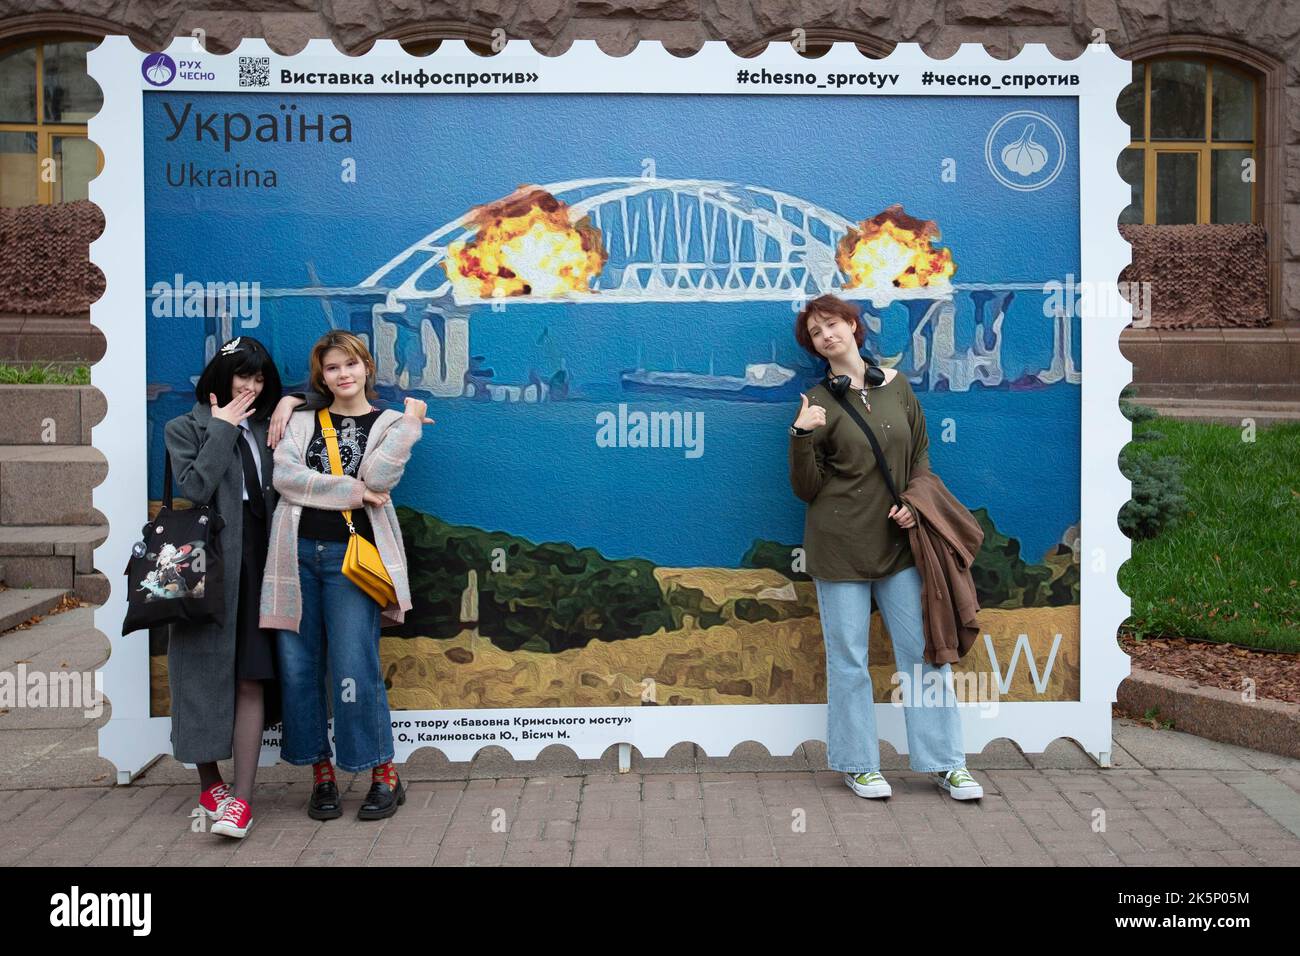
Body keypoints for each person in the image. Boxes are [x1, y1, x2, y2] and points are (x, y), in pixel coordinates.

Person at [788, 293, 982, 801]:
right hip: (838, 547)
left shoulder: (898, 389)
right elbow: (806, 488)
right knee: (848, 658)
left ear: (854, 326)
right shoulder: (818, 403)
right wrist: (799, 436)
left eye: (831, 324)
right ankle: (858, 765)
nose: (826, 335)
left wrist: (916, 504)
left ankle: (946, 763)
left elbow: (920, 458)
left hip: (899, 546)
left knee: (923, 654)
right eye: (815, 333)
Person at [260, 330, 433, 820]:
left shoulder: (390, 422)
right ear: (322, 376)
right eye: (332, 368)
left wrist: (412, 426)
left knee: (355, 668)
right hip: (294, 557)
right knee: (298, 669)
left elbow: (380, 479)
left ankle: (382, 774)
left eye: (350, 365)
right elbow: (285, 478)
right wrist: (352, 492)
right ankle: (322, 776)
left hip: (351, 560)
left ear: (366, 369)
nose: (343, 375)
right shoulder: (299, 420)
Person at [162, 335, 285, 838]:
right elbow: (192, 488)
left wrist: (290, 401)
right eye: (243, 377)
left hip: (260, 562)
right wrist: (221, 429)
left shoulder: (268, 423)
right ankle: (208, 779)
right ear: (221, 376)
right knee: (199, 673)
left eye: (259, 380)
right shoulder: (183, 427)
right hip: (205, 567)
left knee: (250, 676)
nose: (251, 388)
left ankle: (242, 799)